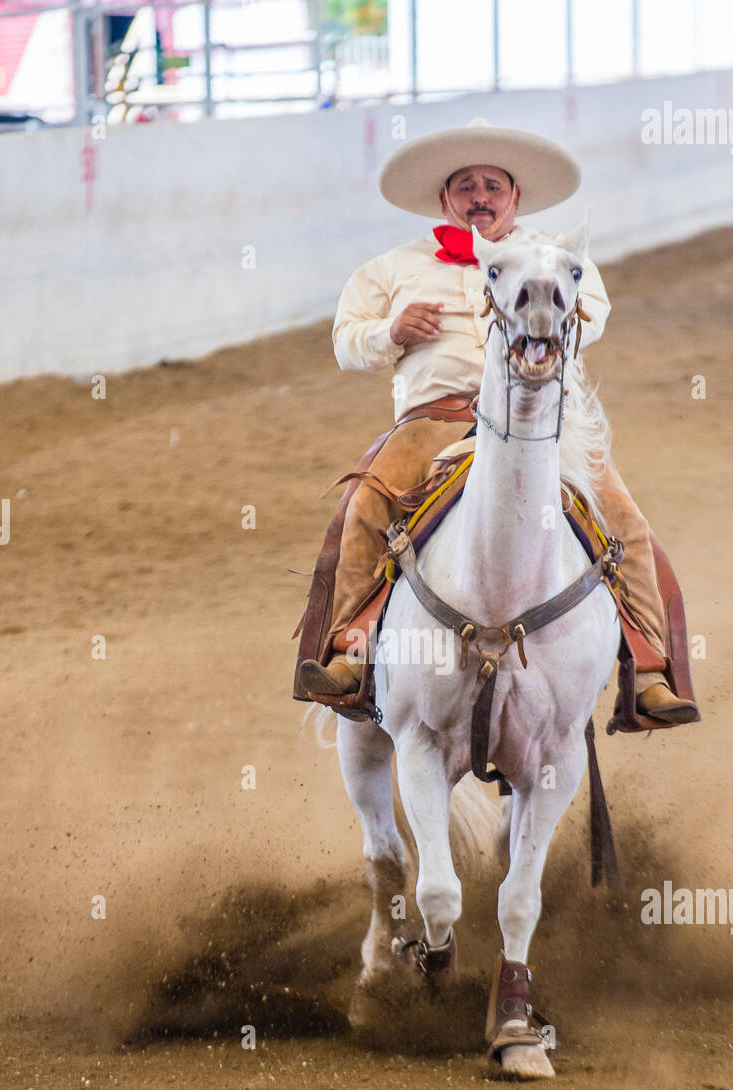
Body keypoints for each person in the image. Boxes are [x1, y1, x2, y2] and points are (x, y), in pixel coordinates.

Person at [298, 118, 698, 725]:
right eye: (465, 187)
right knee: (364, 509)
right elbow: (345, 343)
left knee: (626, 520)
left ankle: (648, 666)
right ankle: (350, 647)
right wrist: (391, 330)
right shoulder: (391, 269)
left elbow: (591, 317)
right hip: (435, 420)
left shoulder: (555, 260)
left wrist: (537, 311)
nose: (479, 197)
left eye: (492, 186)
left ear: (515, 198)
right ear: (444, 199)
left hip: (539, 420)